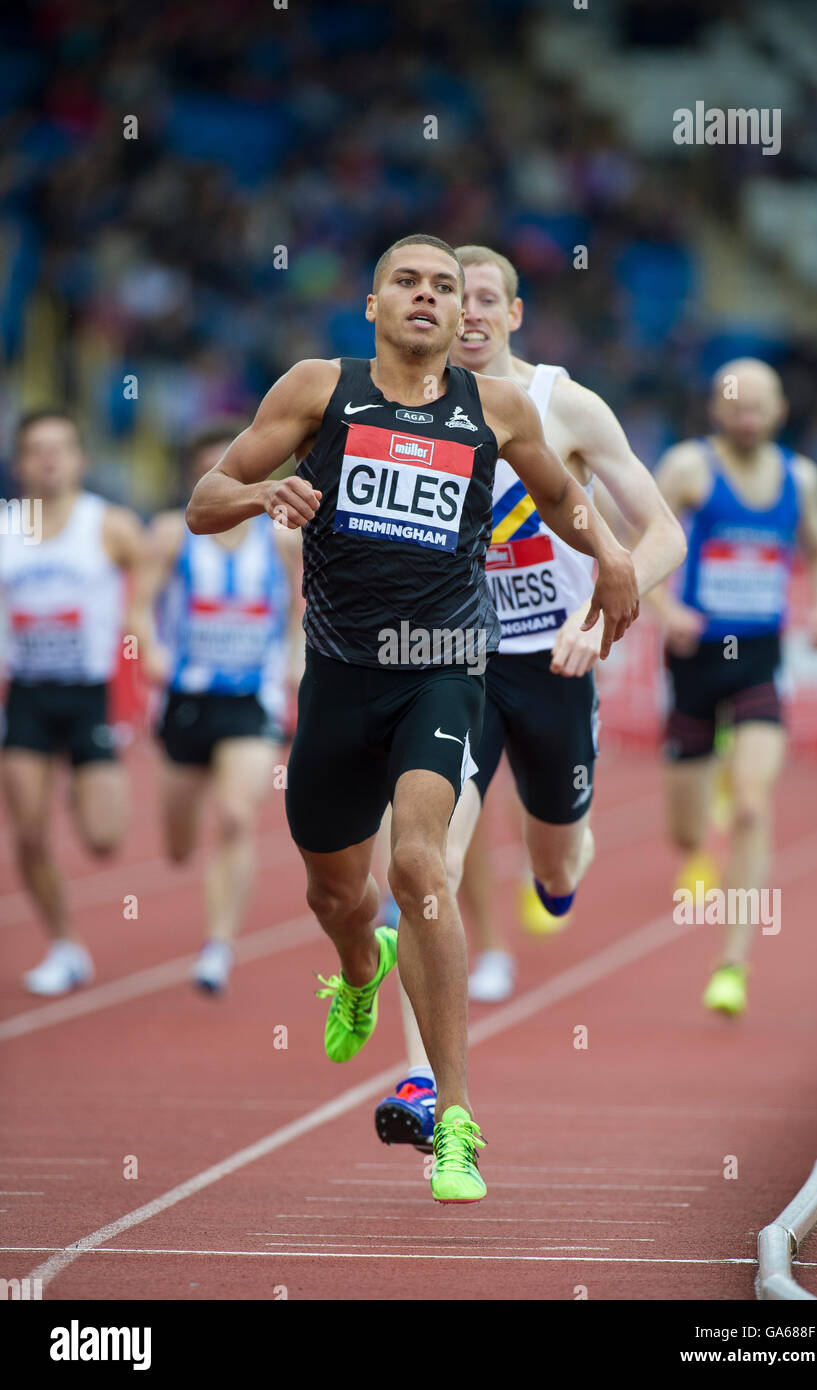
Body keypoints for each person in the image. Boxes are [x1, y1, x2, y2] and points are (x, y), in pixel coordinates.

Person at [185, 232, 640, 1203]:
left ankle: (455, 1116)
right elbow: (203, 498)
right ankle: (359, 965)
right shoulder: (318, 387)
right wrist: (264, 491)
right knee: (336, 897)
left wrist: (609, 558)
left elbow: (562, 499)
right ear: (374, 303)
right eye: (409, 282)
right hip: (343, 673)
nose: (431, 297)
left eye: (444, 285)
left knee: (421, 861)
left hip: (443, 663)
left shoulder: (499, 406)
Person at [373, 244, 685, 1152]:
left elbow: (660, 532)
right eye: (447, 296)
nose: (462, 313)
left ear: (513, 313)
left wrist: (603, 614)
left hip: (553, 664)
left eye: (481, 300)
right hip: (449, 663)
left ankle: (560, 872)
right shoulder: (404, 407)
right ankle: (426, 1081)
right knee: (421, 859)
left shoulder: (566, 406)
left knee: (553, 863)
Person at [649, 358, 817, 1015]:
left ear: (779, 410)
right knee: (683, 832)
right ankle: (701, 833)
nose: (747, 418)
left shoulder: (800, 476)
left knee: (755, 804)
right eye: (736, 407)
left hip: (758, 658)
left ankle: (731, 963)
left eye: (758, 407)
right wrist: (667, 611)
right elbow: (637, 545)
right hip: (693, 660)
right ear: (716, 411)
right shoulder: (686, 468)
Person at [130, 422, 297, 993]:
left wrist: (296, 657)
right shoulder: (170, 535)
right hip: (184, 698)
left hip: (251, 698)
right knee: (178, 845)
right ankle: (184, 846)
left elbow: (307, 599)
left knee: (233, 817)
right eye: (210, 470)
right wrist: (149, 650)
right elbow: (139, 610)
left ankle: (218, 946)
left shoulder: (279, 538)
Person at [0, 409, 143, 994]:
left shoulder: (108, 525)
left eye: (60, 448)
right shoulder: (7, 527)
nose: (49, 459)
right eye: (37, 449)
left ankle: (79, 781)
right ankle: (65, 944)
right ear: (20, 464)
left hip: (90, 696)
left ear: (81, 460)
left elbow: (160, 578)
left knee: (104, 839)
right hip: (28, 693)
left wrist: (146, 642)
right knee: (29, 835)